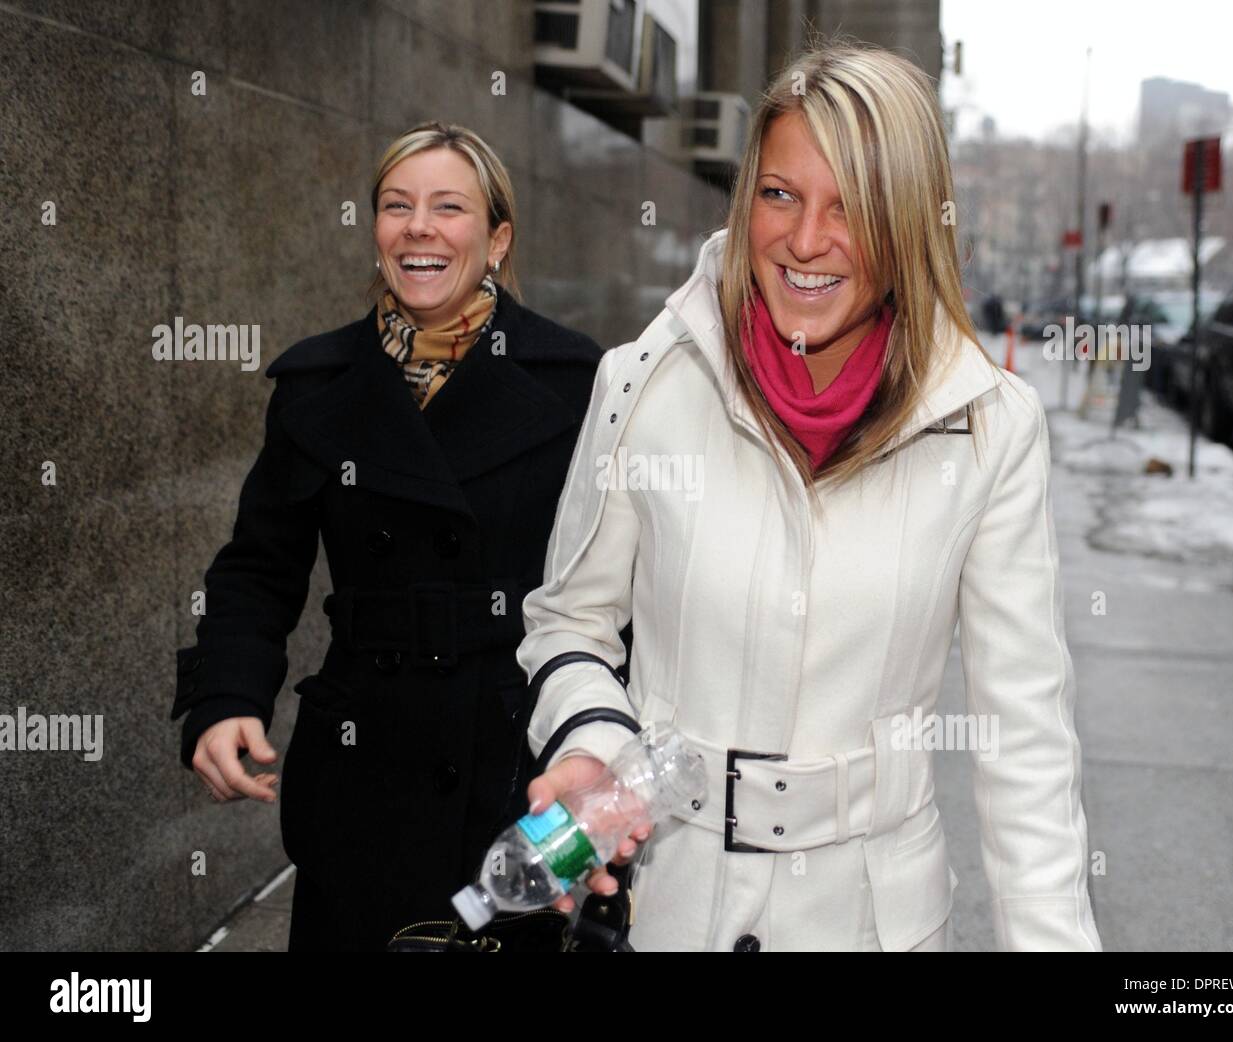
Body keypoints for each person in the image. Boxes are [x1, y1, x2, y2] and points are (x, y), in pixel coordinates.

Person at [519, 42, 1103, 952]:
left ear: (907, 224)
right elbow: (569, 622)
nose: (802, 241)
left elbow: (1022, 739)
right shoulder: (641, 384)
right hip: (674, 912)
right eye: (779, 194)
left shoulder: (992, 427)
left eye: (850, 209)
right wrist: (590, 739)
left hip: (876, 925)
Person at [170, 120, 607, 951]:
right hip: (361, 765)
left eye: (449, 207)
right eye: (397, 206)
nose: (419, 227)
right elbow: (259, 569)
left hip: (514, 762)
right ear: (375, 231)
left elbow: (613, 590)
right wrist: (226, 698)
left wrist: (608, 765)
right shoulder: (318, 384)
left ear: (496, 237)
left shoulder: (574, 380)